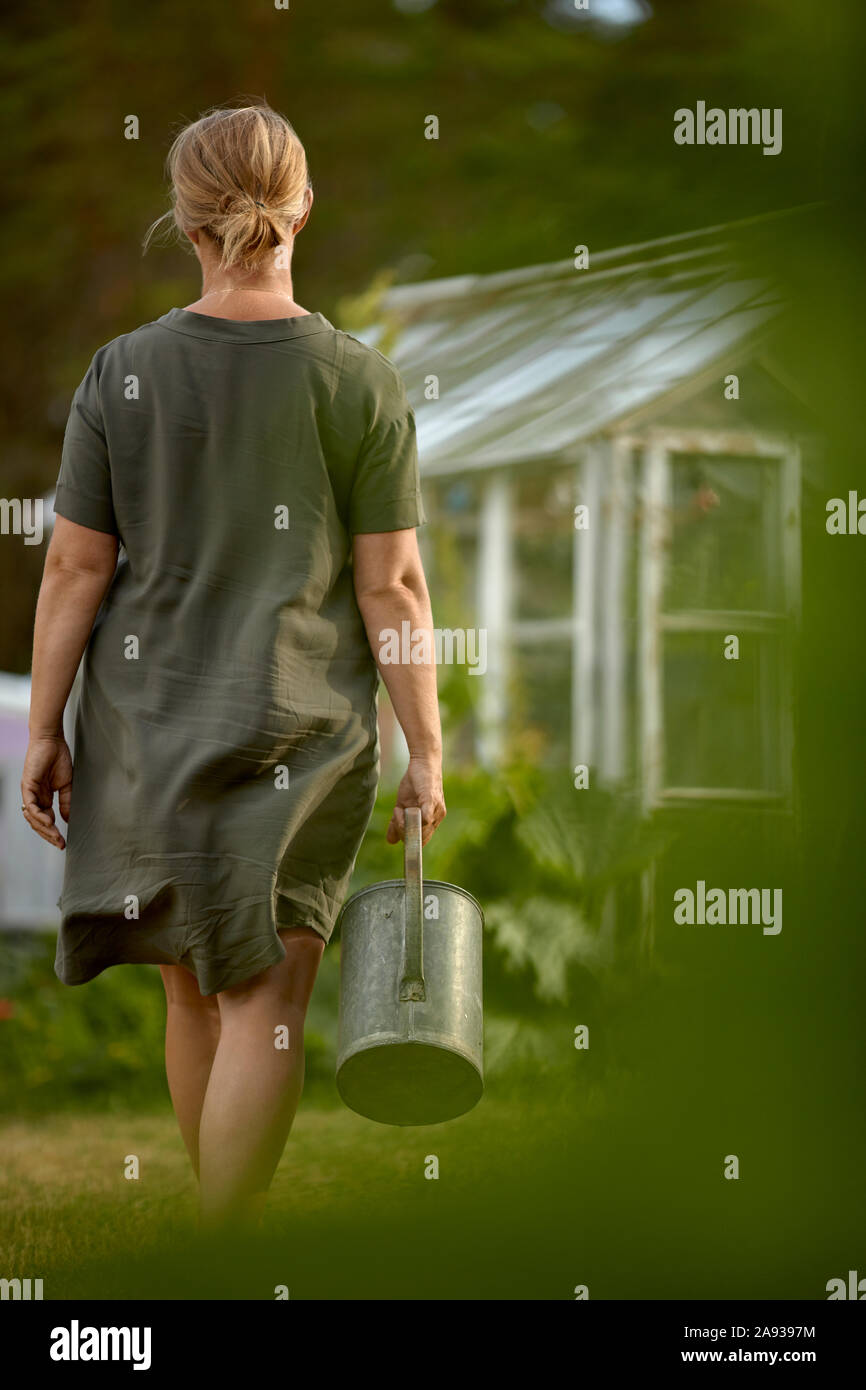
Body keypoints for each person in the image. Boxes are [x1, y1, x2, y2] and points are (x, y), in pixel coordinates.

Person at [20, 100, 446, 1229]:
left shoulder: (122, 369)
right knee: (265, 997)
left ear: (184, 217)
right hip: (297, 731)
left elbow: (72, 566)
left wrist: (44, 726)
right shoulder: (357, 379)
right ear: (302, 204)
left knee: (192, 987)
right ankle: (221, 1245)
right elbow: (391, 587)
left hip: (144, 723)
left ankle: (208, 1246)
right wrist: (427, 748)